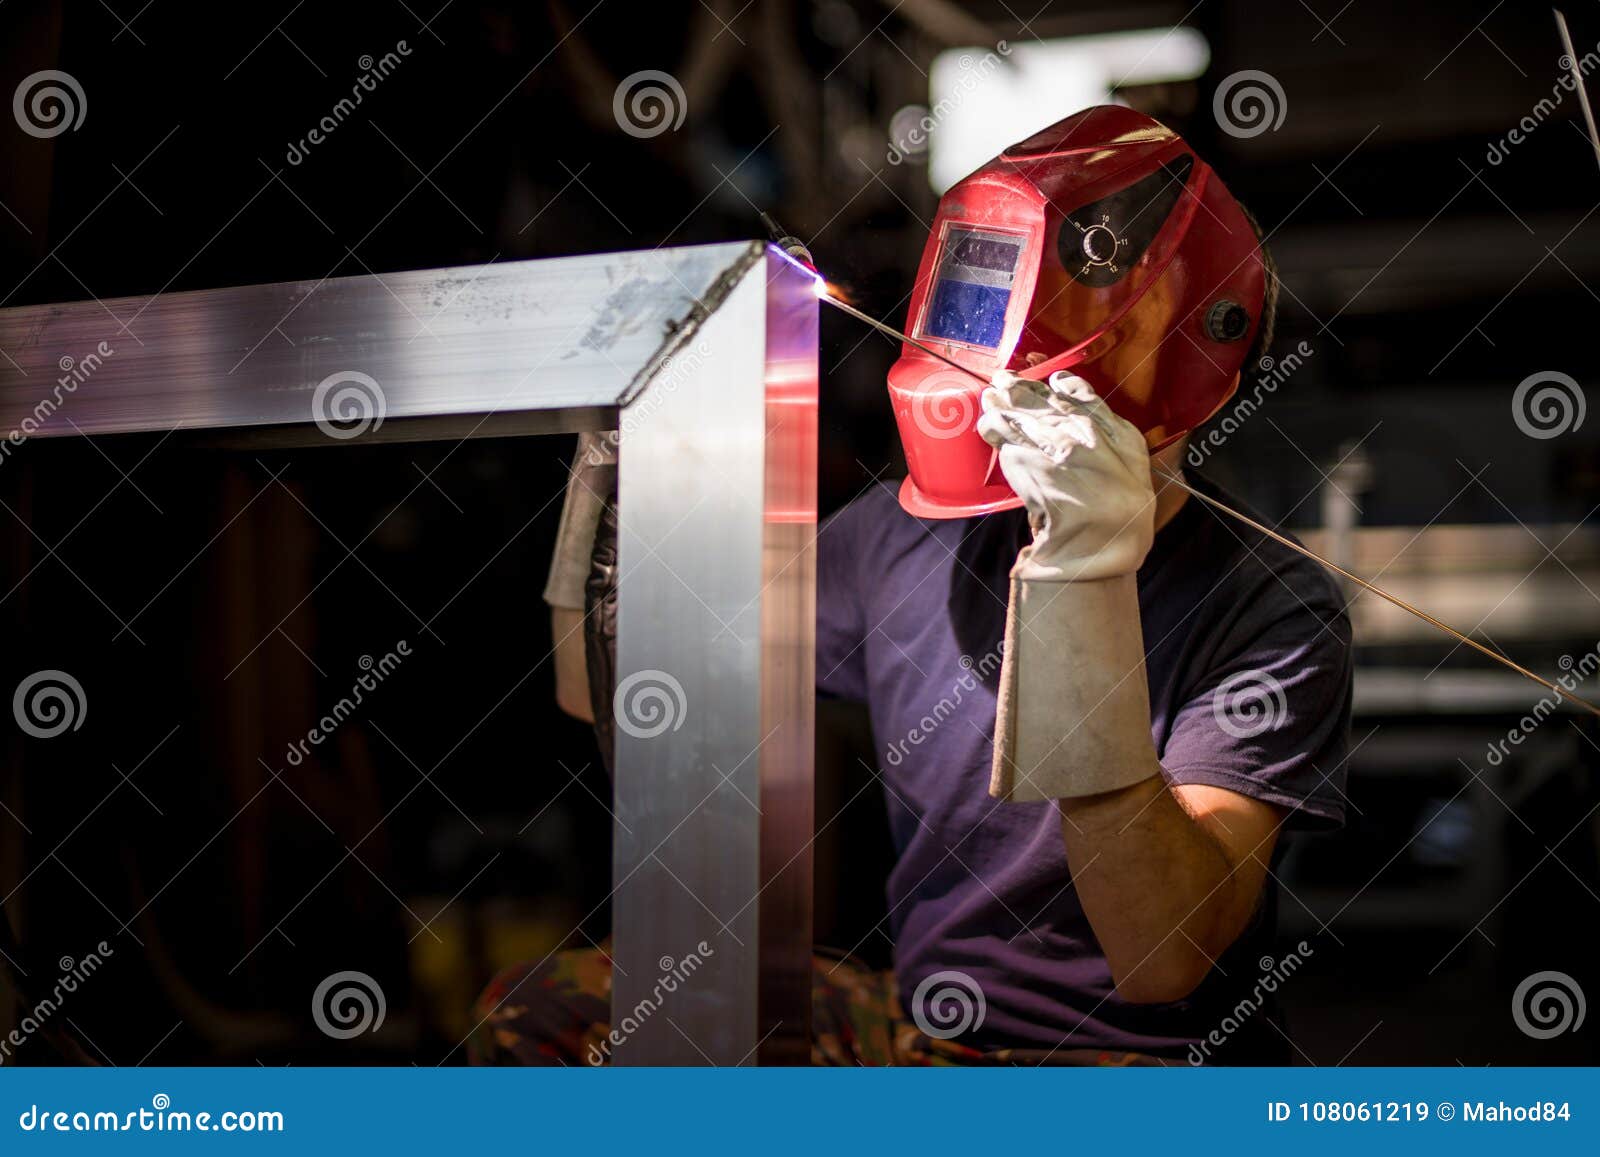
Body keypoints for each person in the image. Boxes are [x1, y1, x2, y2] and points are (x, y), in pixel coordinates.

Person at [470, 110, 1353, 1067]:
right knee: (550, 1010)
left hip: (1134, 1069)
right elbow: (608, 695)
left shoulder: (1273, 607)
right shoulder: (900, 535)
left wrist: (1082, 577)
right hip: (925, 1037)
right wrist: (610, 468)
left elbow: (1160, 956)